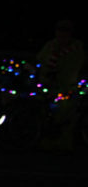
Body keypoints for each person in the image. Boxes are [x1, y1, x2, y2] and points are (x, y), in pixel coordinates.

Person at [35, 18, 84, 150]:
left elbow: (74, 67)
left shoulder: (76, 48)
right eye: (60, 31)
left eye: (65, 31)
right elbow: (40, 60)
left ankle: (64, 142)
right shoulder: (50, 45)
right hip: (47, 86)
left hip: (67, 88)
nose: (62, 34)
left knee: (66, 114)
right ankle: (45, 140)